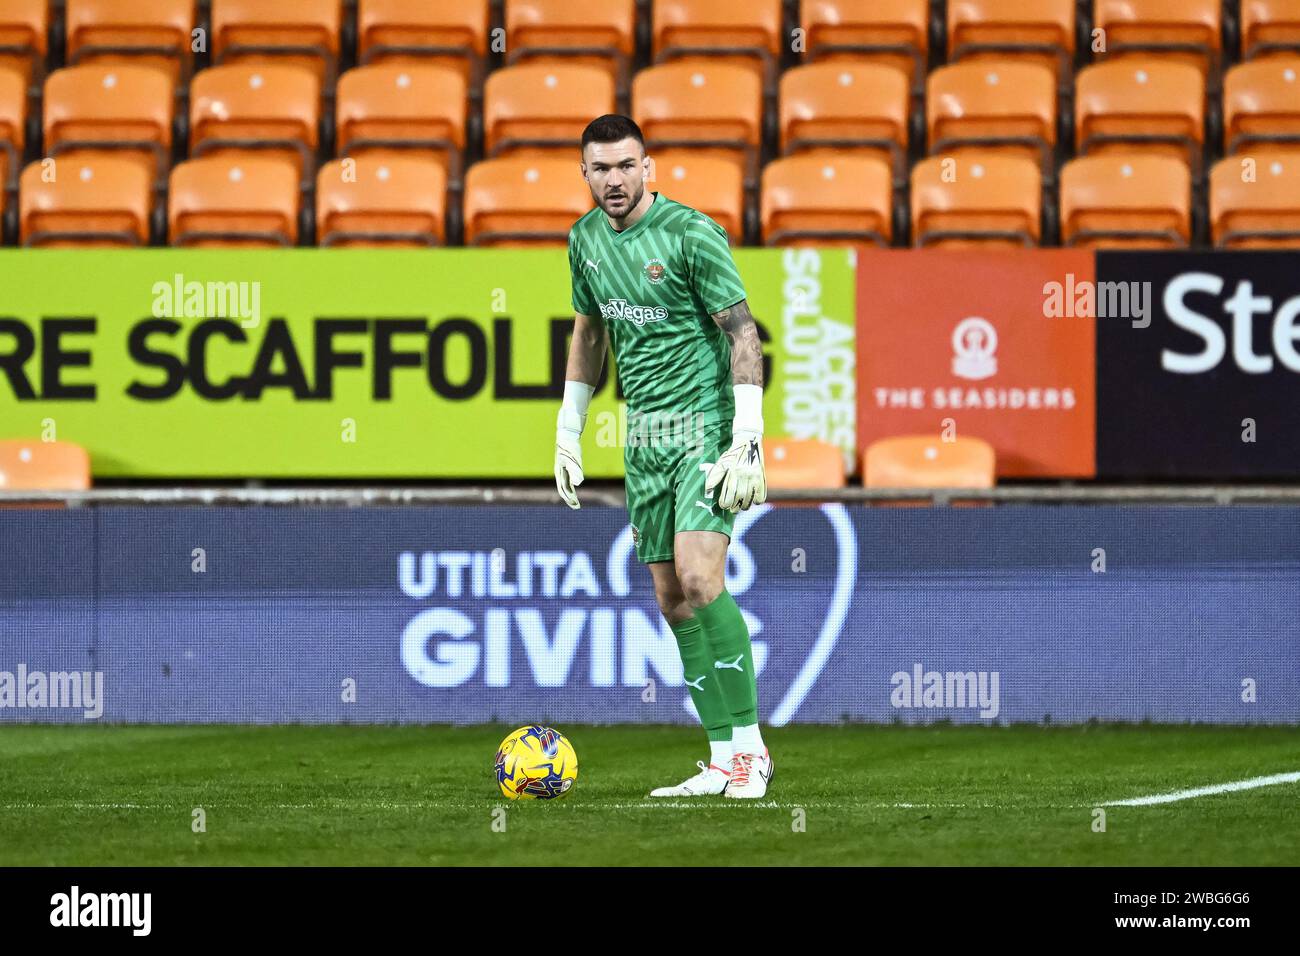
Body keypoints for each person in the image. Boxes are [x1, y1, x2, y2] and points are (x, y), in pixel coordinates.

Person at [554, 114, 773, 798]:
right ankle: (717, 758)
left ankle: (750, 751)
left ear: (647, 167)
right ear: (584, 174)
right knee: (674, 600)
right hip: (643, 438)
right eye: (601, 168)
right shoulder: (584, 240)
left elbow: (743, 332)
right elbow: (589, 332)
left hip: (703, 426)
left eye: (626, 166)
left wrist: (748, 435)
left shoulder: (690, 233)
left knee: (702, 578)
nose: (614, 180)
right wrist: (570, 425)